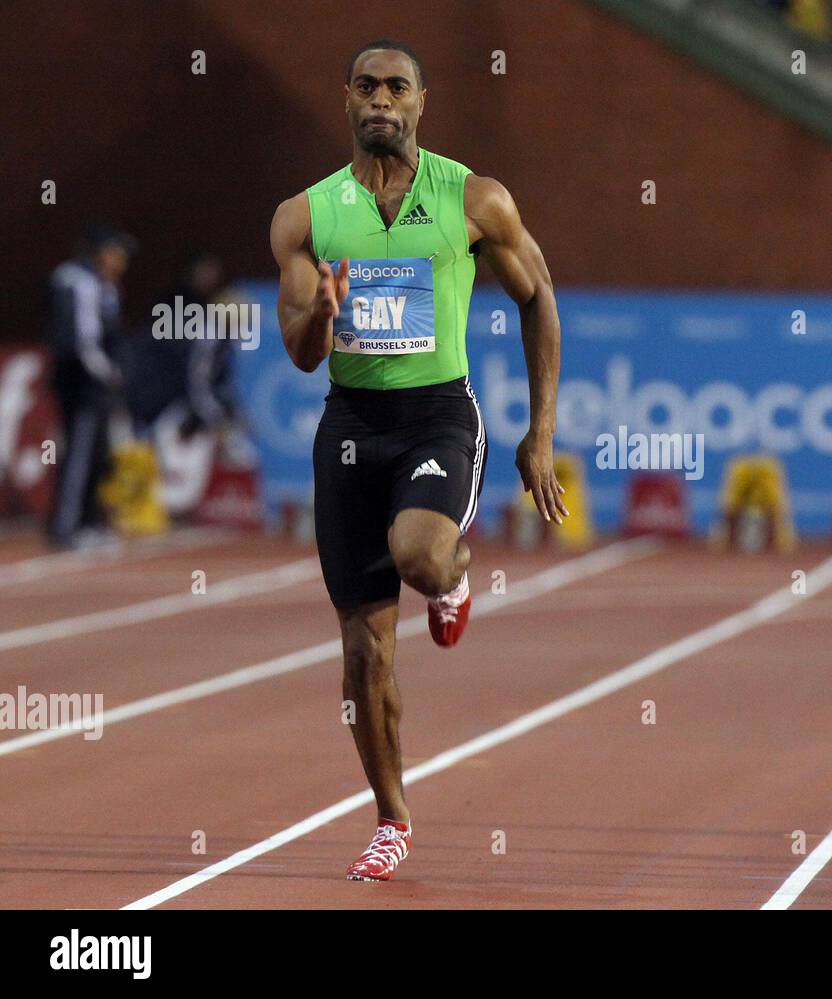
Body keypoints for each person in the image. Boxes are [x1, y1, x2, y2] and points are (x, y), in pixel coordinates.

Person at [270, 39, 568, 881]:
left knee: (421, 554)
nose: (381, 100)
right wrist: (323, 314)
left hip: (439, 415)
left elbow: (539, 296)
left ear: (421, 102)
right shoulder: (307, 214)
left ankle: (454, 577)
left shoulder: (474, 198)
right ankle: (392, 817)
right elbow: (298, 351)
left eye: (396, 87)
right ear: (347, 98)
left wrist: (540, 432)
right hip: (351, 424)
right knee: (364, 651)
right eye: (365, 85)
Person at [46, 224, 136, 548]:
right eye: (117, 252)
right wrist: (109, 374)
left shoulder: (107, 286)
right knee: (80, 454)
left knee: (99, 454)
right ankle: (66, 527)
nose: (122, 260)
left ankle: (89, 523)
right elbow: (81, 342)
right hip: (81, 383)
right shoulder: (76, 280)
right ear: (99, 252)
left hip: (96, 380)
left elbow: (111, 337)